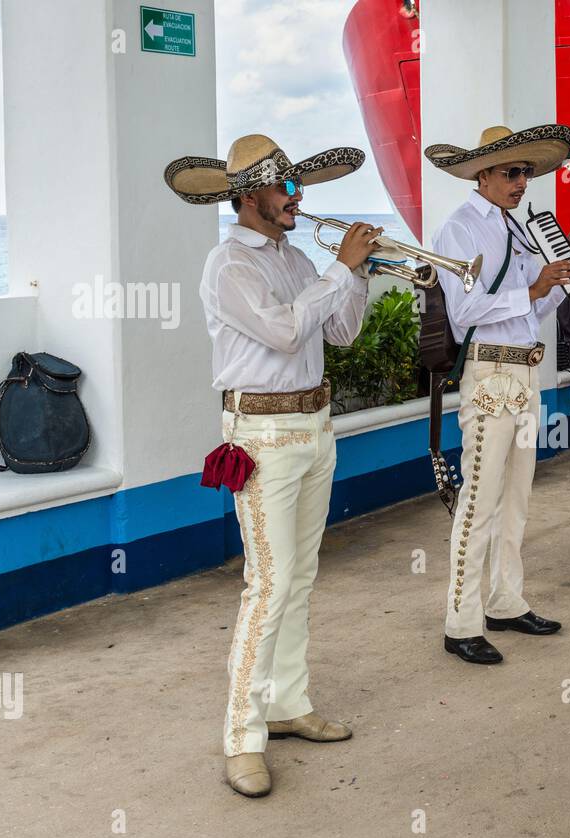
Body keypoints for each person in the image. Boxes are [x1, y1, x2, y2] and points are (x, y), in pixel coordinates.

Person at [165, 134, 379, 798]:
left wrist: (362, 271)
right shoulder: (229, 264)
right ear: (249, 196)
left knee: (302, 575)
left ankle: (289, 703)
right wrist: (340, 268)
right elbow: (286, 331)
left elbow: (338, 332)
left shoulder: (291, 256)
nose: (298, 199)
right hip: (261, 435)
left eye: (297, 187)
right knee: (269, 583)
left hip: (314, 427)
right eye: (285, 189)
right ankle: (242, 735)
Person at [427, 123, 570, 665]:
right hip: (490, 376)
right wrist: (533, 288)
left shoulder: (517, 230)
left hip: (522, 371)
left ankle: (506, 600)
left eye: (527, 172)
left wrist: (554, 284)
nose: (522, 181)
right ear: (484, 174)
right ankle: (461, 620)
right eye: (513, 172)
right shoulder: (460, 230)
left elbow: (528, 313)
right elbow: (464, 312)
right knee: (479, 499)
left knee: (516, 498)